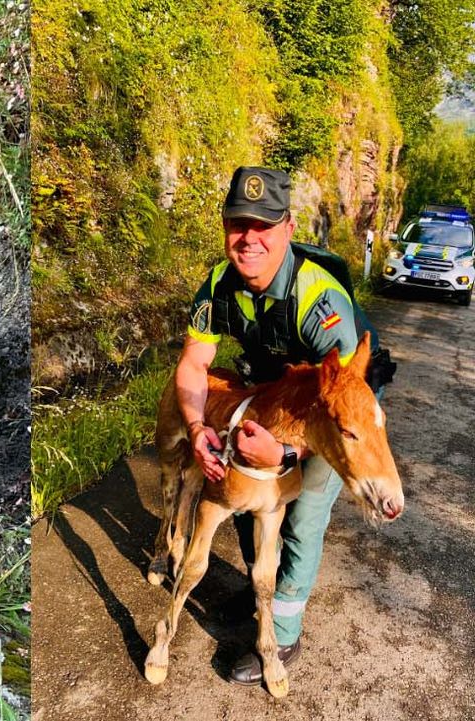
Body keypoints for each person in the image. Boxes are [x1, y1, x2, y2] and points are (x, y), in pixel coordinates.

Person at [174, 166, 381, 686]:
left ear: (288, 228)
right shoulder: (219, 285)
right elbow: (195, 364)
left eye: (263, 226)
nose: (249, 239)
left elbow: (342, 410)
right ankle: (257, 582)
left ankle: (285, 631)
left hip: (337, 406)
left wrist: (287, 458)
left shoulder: (319, 302)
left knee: (303, 510)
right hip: (273, 394)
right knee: (242, 485)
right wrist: (199, 428)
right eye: (238, 224)